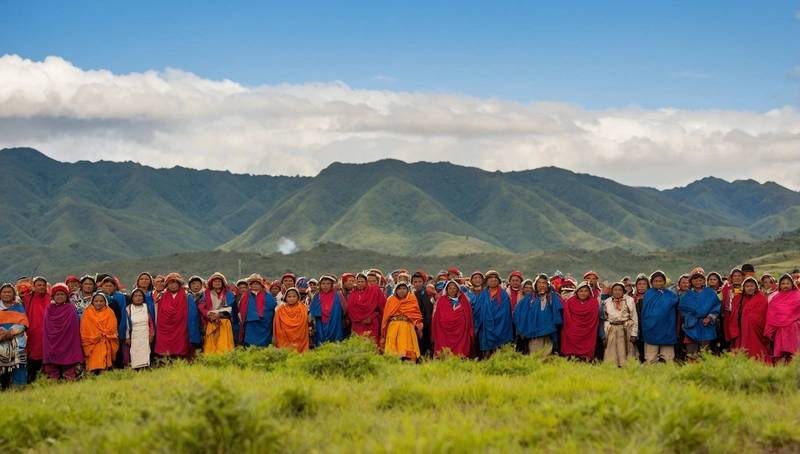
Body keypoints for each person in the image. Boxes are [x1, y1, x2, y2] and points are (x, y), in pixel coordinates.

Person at [154, 273, 201, 360]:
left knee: (182, 357)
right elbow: (157, 316)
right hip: (165, 331)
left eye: (175, 282)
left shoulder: (187, 296)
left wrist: (193, 335)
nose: (173, 285)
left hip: (182, 331)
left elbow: (193, 317)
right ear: (167, 285)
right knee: (166, 357)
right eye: (170, 283)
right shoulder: (161, 297)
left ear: (179, 284)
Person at [513, 274, 562, 355]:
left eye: (544, 283)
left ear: (547, 285)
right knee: (535, 354)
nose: (542, 285)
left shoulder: (553, 297)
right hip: (533, 333)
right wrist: (523, 327)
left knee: (547, 355)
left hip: (548, 333)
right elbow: (519, 312)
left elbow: (558, 313)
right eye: (539, 283)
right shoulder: (529, 298)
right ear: (535, 285)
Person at [42, 283, 83, 380]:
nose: (60, 296)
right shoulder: (49, 308)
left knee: (70, 374)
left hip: (68, 344)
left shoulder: (71, 308)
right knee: (52, 377)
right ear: (53, 296)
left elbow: (73, 329)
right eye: (57, 294)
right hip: (52, 344)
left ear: (66, 296)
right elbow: (47, 329)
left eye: (62, 294)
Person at [679, 269, 720, 360]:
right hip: (691, 327)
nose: (698, 282)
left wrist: (709, 317)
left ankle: (704, 372)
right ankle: (692, 371)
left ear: (704, 281)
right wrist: (692, 319)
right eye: (695, 280)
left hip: (706, 326)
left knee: (705, 352)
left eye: (700, 280)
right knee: (691, 353)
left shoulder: (710, 293)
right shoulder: (686, 295)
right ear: (691, 281)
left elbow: (716, 307)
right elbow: (683, 311)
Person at [728, 277, 771, 363]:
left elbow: (765, 314)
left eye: (752, 286)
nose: (750, 288)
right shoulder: (738, 299)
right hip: (742, 330)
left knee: (758, 350)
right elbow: (734, 314)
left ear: (756, 287)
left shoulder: (762, 298)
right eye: (747, 286)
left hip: (758, 330)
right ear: (743, 287)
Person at [472, 270, 513, 358]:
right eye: (490, 279)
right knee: (486, 354)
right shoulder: (482, 294)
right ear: (486, 282)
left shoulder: (504, 294)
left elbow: (505, 313)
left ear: (498, 281)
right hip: (485, 327)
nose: (493, 281)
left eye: (495, 279)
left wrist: (495, 319)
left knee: (500, 352)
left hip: (501, 326)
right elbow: (477, 311)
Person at [641, 271, 678, 364]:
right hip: (651, 329)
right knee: (651, 358)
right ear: (652, 282)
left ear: (664, 282)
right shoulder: (648, 294)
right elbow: (645, 312)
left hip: (667, 329)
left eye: (660, 281)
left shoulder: (671, 295)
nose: (658, 283)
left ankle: (667, 376)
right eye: (655, 281)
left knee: (667, 358)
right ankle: (651, 377)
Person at [381, 282, 423, 361]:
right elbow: (385, 318)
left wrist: (419, 326)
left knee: (408, 352)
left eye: (404, 288)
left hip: (407, 327)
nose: (402, 291)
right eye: (399, 288)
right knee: (393, 354)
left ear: (407, 290)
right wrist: (383, 332)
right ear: (396, 290)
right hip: (393, 328)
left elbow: (416, 315)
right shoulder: (390, 300)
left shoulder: (412, 299)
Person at [431, 280, 474, 358]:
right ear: (446, 290)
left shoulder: (464, 300)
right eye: (450, 288)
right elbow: (437, 317)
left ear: (458, 289)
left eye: (454, 288)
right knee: (444, 350)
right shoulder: (441, 300)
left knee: (460, 351)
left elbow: (468, 315)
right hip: (444, 331)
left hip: (461, 331)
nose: (452, 290)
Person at [764, 274, 800, 364]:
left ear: (792, 284)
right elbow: (771, 314)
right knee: (782, 356)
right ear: (779, 285)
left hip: (794, 329)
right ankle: (782, 372)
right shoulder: (775, 298)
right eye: (783, 283)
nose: (785, 285)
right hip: (780, 330)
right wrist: (770, 330)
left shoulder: (798, 296)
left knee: (794, 354)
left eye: (788, 283)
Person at [560, 281, 601, 361]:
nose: (583, 293)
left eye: (586, 291)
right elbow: (567, 317)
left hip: (589, 331)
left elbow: (595, 318)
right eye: (581, 291)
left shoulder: (594, 302)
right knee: (571, 357)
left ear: (589, 292)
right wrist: (572, 327)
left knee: (585, 358)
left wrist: (588, 328)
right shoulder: (570, 302)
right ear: (577, 292)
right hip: (572, 330)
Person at [80, 292, 119, 373]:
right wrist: (94, 336)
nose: (98, 303)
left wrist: (104, 334)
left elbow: (112, 328)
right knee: (92, 365)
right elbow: (84, 328)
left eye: (101, 301)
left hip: (104, 341)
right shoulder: (87, 312)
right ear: (92, 302)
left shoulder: (110, 312)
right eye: (96, 301)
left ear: (105, 302)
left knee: (103, 364)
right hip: (91, 343)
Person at [198, 272, 237, 354]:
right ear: (211, 283)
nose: (217, 283)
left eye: (219, 281)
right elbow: (201, 306)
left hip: (224, 322)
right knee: (211, 345)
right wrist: (209, 314)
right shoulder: (206, 293)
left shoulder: (228, 293)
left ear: (222, 283)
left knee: (224, 344)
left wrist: (219, 314)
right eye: (215, 281)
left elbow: (231, 307)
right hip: (211, 321)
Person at [602, 282, 638, 366]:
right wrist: (605, 332)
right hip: (612, 330)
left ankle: (626, 367)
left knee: (626, 351)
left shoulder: (629, 300)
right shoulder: (607, 301)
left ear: (623, 291)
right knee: (612, 352)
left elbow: (634, 318)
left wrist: (634, 333)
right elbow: (605, 318)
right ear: (611, 291)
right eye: (615, 290)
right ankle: (612, 367)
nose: (617, 292)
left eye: (620, 290)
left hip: (626, 329)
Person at [0, 283, 28, 389]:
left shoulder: (18, 307)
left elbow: (23, 323)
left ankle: (19, 391)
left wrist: (9, 333)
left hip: (17, 344)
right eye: (4, 292)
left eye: (9, 292)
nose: (6, 294)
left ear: (13, 294)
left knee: (19, 368)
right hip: (1, 345)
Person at [346, 273, 385, 346]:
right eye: (358, 282)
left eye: (362, 282)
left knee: (372, 344)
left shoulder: (375, 290)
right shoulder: (353, 294)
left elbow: (382, 306)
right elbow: (350, 309)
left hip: (371, 323)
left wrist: (372, 317)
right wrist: (360, 319)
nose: (360, 284)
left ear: (366, 282)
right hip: (357, 324)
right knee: (358, 345)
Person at [238, 274, 277, 347]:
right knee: (250, 343)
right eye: (253, 284)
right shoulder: (245, 296)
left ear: (261, 285)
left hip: (264, 323)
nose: (255, 286)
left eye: (257, 284)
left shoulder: (267, 295)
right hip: (250, 323)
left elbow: (271, 307)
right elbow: (242, 308)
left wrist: (261, 315)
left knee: (263, 345)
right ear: (250, 285)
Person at [23, 276, 49, 382]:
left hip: (47, 334)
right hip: (32, 335)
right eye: (39, 285)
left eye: (43, 285)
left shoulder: (50, 297)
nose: (41, 287)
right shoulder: (28, 298)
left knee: (46, 359)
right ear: (33, 286)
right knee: (33, 360)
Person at [310, 275, 347, 347]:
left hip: (335, 323)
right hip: (320, 324)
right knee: (321, 342)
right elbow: (312, 311)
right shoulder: (317, 296)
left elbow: (345, 309)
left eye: (328, 283)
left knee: (335, 342)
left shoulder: (338, 295)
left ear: (332, 285)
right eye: (323, 283)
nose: (325, 286)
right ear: (320, 285)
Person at [273, 287, 309, 353]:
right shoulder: (281, 309)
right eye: (289, 296)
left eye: (294, 296)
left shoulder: (303, 307)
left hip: (300, 337)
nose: (291, 298)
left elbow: (305, 323)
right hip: (284, 336)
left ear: (298, 297)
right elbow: (277, 325)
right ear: (285, 298)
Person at [126, 288, 154, 369]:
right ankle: (135, 369)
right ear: (132, 297)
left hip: (145, 333)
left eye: (140, 296)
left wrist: (151, 334)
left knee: (146, 352)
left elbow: (151, 323)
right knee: (135, 352)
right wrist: (127, 337)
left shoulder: (146, 307)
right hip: (134, 334)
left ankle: (146, 369)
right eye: (136, 296)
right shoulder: (128, 308)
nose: (138, 298)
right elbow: (127, 325)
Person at [411, 272, 434, 357]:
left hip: (426, 324)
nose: (417, 284)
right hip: (417, 324)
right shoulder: (412, 294)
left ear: (424, 282)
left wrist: (421, 327)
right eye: (415, 282)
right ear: (412, 283)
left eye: (420, 281)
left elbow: (427, 312)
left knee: (424, 346)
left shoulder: (427, 293)